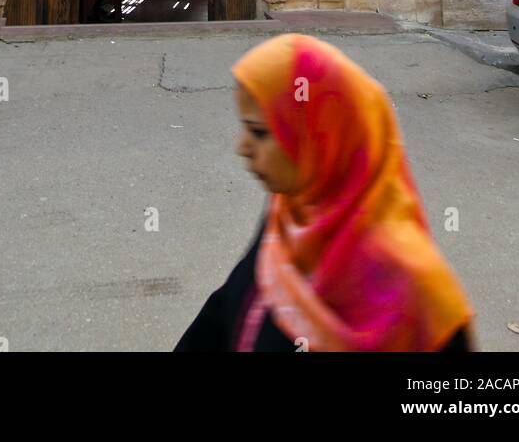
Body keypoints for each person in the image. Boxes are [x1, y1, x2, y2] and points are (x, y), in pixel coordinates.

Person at [175, 33, 475, 352]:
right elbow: (223, 315)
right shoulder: (289, 214)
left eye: (260, 132)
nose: (242, 148)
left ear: (320, 136)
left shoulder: (419, 298)